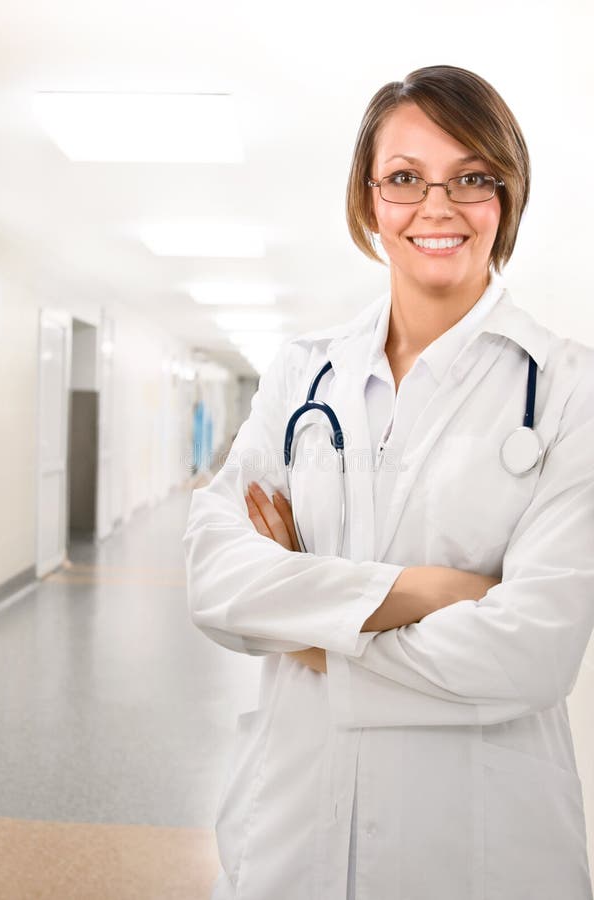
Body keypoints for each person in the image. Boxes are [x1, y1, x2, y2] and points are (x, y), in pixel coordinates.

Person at [182, 64, 594, 900]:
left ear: (506, 198)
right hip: (295, 820)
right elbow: (216, 577)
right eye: (405, 179)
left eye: (472, 177)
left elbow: (532, 650)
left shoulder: (567, 390)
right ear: (369, 202)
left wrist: (314, 630)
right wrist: (434, 589)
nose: (437, 207)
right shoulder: (302, 374)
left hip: (482, 841)